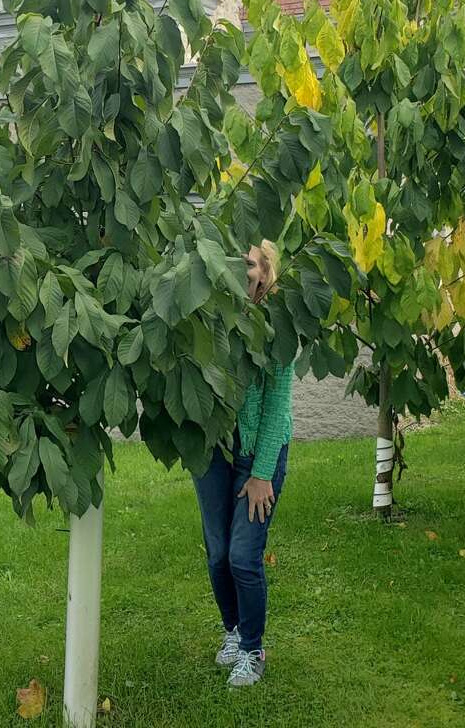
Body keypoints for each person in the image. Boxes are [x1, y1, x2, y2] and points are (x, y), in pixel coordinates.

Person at [192, 244, 290, 688]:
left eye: (249, 264)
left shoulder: (279, 327)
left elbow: (277, 408)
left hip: (257, 456)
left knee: (243, 558)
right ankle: (233, 631)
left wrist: (261, 473)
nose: (240, 271)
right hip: (214, 453)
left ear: (265, 274)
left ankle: (253, 649)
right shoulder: (211, 317)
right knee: (217, 555)